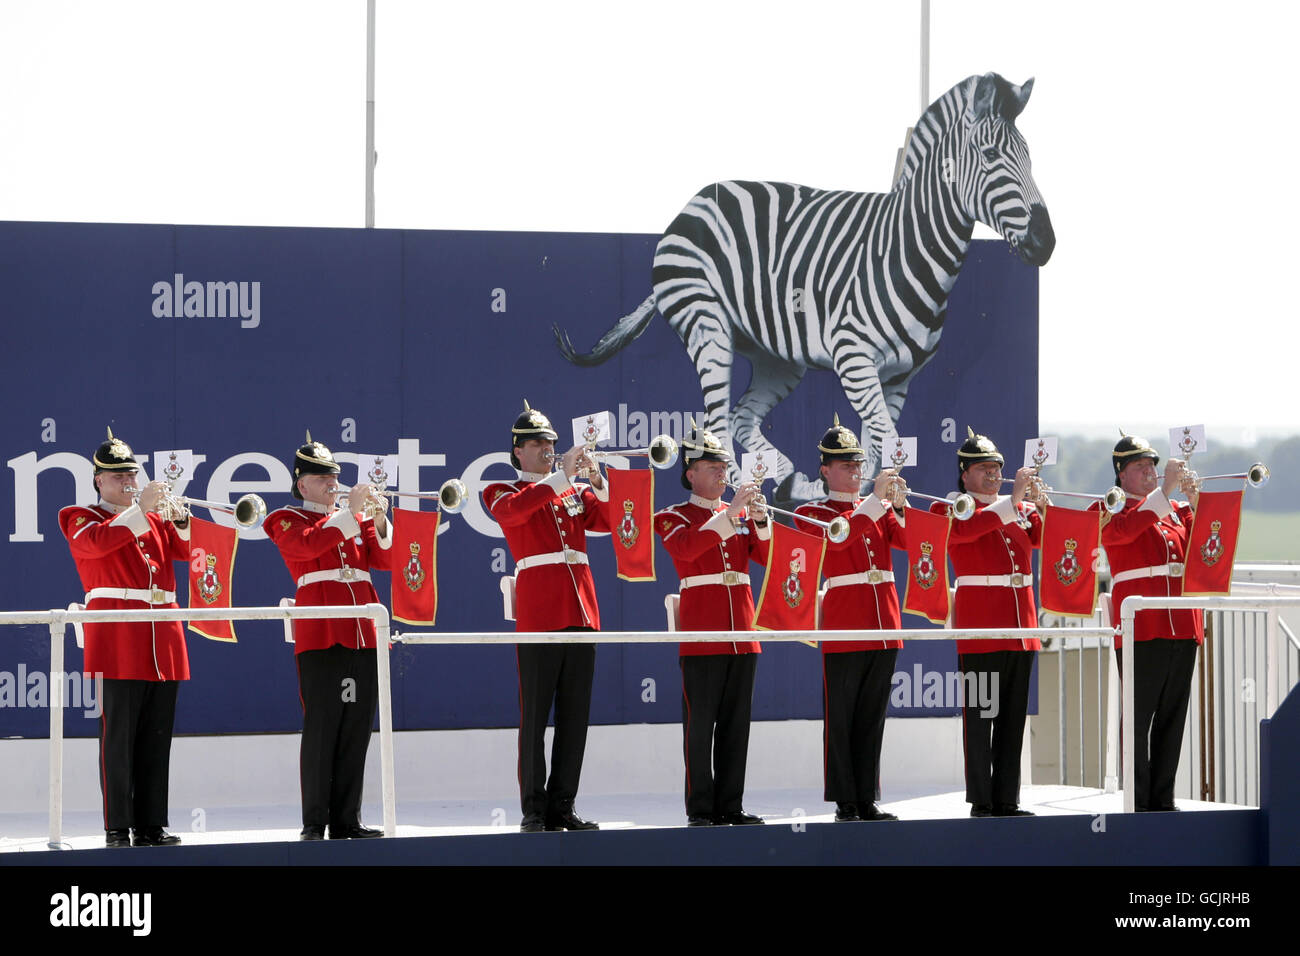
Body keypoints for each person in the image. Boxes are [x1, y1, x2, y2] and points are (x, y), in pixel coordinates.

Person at [59, 428, 190, 848]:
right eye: (118, 476)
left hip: (162, 634)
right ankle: (118, 826)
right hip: (117, 634)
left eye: (132, 474)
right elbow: (97, 545)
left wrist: (181, 519)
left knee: (156, 736)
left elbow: (186, 553)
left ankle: (152, 824)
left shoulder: (151, 517)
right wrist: (142, 511)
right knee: (118, 737)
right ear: (99, 479)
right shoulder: (79, 516)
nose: (129, 482)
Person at [483, 401, 609, 833]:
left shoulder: (573, 490)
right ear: (518, 451)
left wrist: (596, 479)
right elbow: (515, 513)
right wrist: (563, 478)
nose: (546, 449)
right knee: (535, 717)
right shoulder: (502, 490)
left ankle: (563, 806)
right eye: (537, 444)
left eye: (551, 443)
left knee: (575, 717)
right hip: (539, 615)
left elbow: (612, 521)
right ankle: (534, 809)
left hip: (581, 610)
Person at [264, 432, 392, 840]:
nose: (332, 483)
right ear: (302, 484)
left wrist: (379, 519)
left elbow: (386, 559)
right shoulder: (285, 518)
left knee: (356, 726)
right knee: (322, 726)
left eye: (334, 476)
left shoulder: (352, 520)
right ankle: (314, 821)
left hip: (362, 633)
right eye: (322, 478)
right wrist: (352, 517)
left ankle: (347, 820)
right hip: (321, 634)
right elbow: (306, 547)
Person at [655, 422, 770, 826]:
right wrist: (734, 513)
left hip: (743, 629)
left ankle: (731, 805)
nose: (723, 472)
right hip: (702, 632)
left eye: (724, 465)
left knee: (737, 725)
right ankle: (701, 808)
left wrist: (759, 519)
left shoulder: (734, 514)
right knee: (700, 726)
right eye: (712, 466)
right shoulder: (671, 516)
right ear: (690, 473)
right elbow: (687, 551)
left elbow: (767, 558)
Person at [794, 418, 903, 822]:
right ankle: (845, 800)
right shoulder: (811, 511)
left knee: (872, 717)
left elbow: (911, 542)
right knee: (841, 717)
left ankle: (867, 796)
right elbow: (837, 543)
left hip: (884, 619)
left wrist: (901, 504)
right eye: (845, 465)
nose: (855, 471)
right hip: (845, 620)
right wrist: (876, 503)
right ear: (825, 470)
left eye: (857, 463)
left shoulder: (878, 509)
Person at [935, 428, 1042, 818]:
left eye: (997, 467)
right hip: (980, 628)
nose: (994, 474)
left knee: (1013, 718)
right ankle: (981, 800)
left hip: (1020, 627)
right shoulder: (952, 507)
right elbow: (964, 532)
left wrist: (1040, 506)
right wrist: (1014, 503)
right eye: (984, 468)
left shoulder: (1020, 509)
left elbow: (1051, 540)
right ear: (965, 474)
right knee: (981, 720)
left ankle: (1007, 799)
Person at [1099, 434, 1202, 812]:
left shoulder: (1171, 509)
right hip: (1142, 625)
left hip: (1181, 623)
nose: (1150, 473)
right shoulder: (1111, 508)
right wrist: (1167, 495)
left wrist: (1193, 502)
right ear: (1121, 474)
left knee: (1173, 716)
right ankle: (1138, 800)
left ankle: (1162, 797)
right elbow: (1126, 532)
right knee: (1139, 717)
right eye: (1141, 468)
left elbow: (1204, 550)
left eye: (1152, 467)